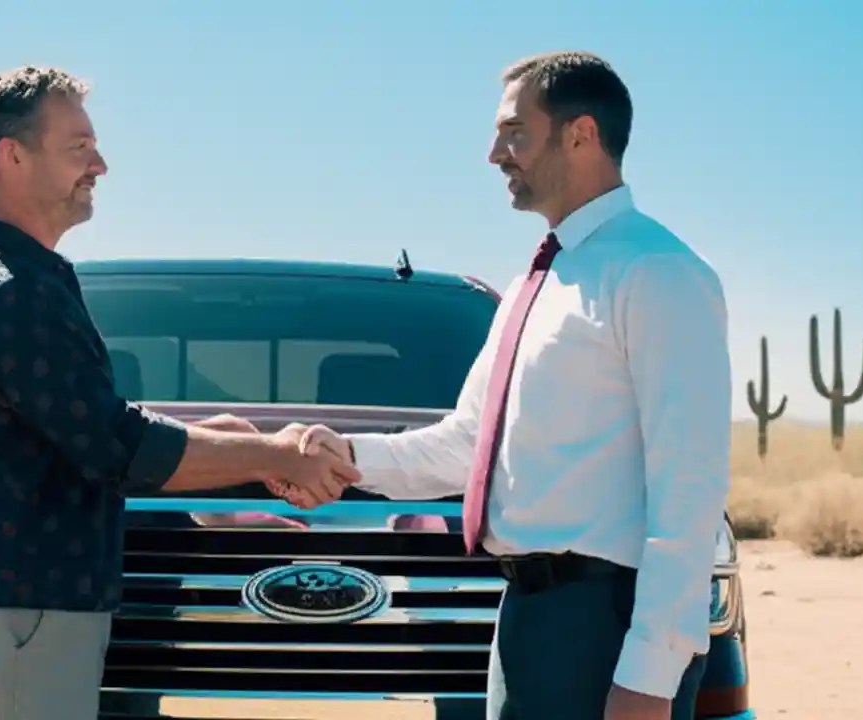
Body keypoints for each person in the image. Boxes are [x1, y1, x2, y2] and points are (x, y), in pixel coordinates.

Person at [0, 65, 359, 720]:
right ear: (11, 156)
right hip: (19, 609)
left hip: (20, 608)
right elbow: (115, 445)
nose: (101, 165)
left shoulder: (5, 278)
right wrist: (275, 457)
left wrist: (218, 438)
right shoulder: (12, 290)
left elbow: (80, 421)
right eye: (78, 147)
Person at [295, 51, 731, 720]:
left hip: (606, 627)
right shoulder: (537, 284)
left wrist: (652, 670)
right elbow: (468, 445)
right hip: (528, 619)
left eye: (514, 132)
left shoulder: (659, 272)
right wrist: (346, 458)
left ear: (580, 134)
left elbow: (690, 487)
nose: (495, 153)